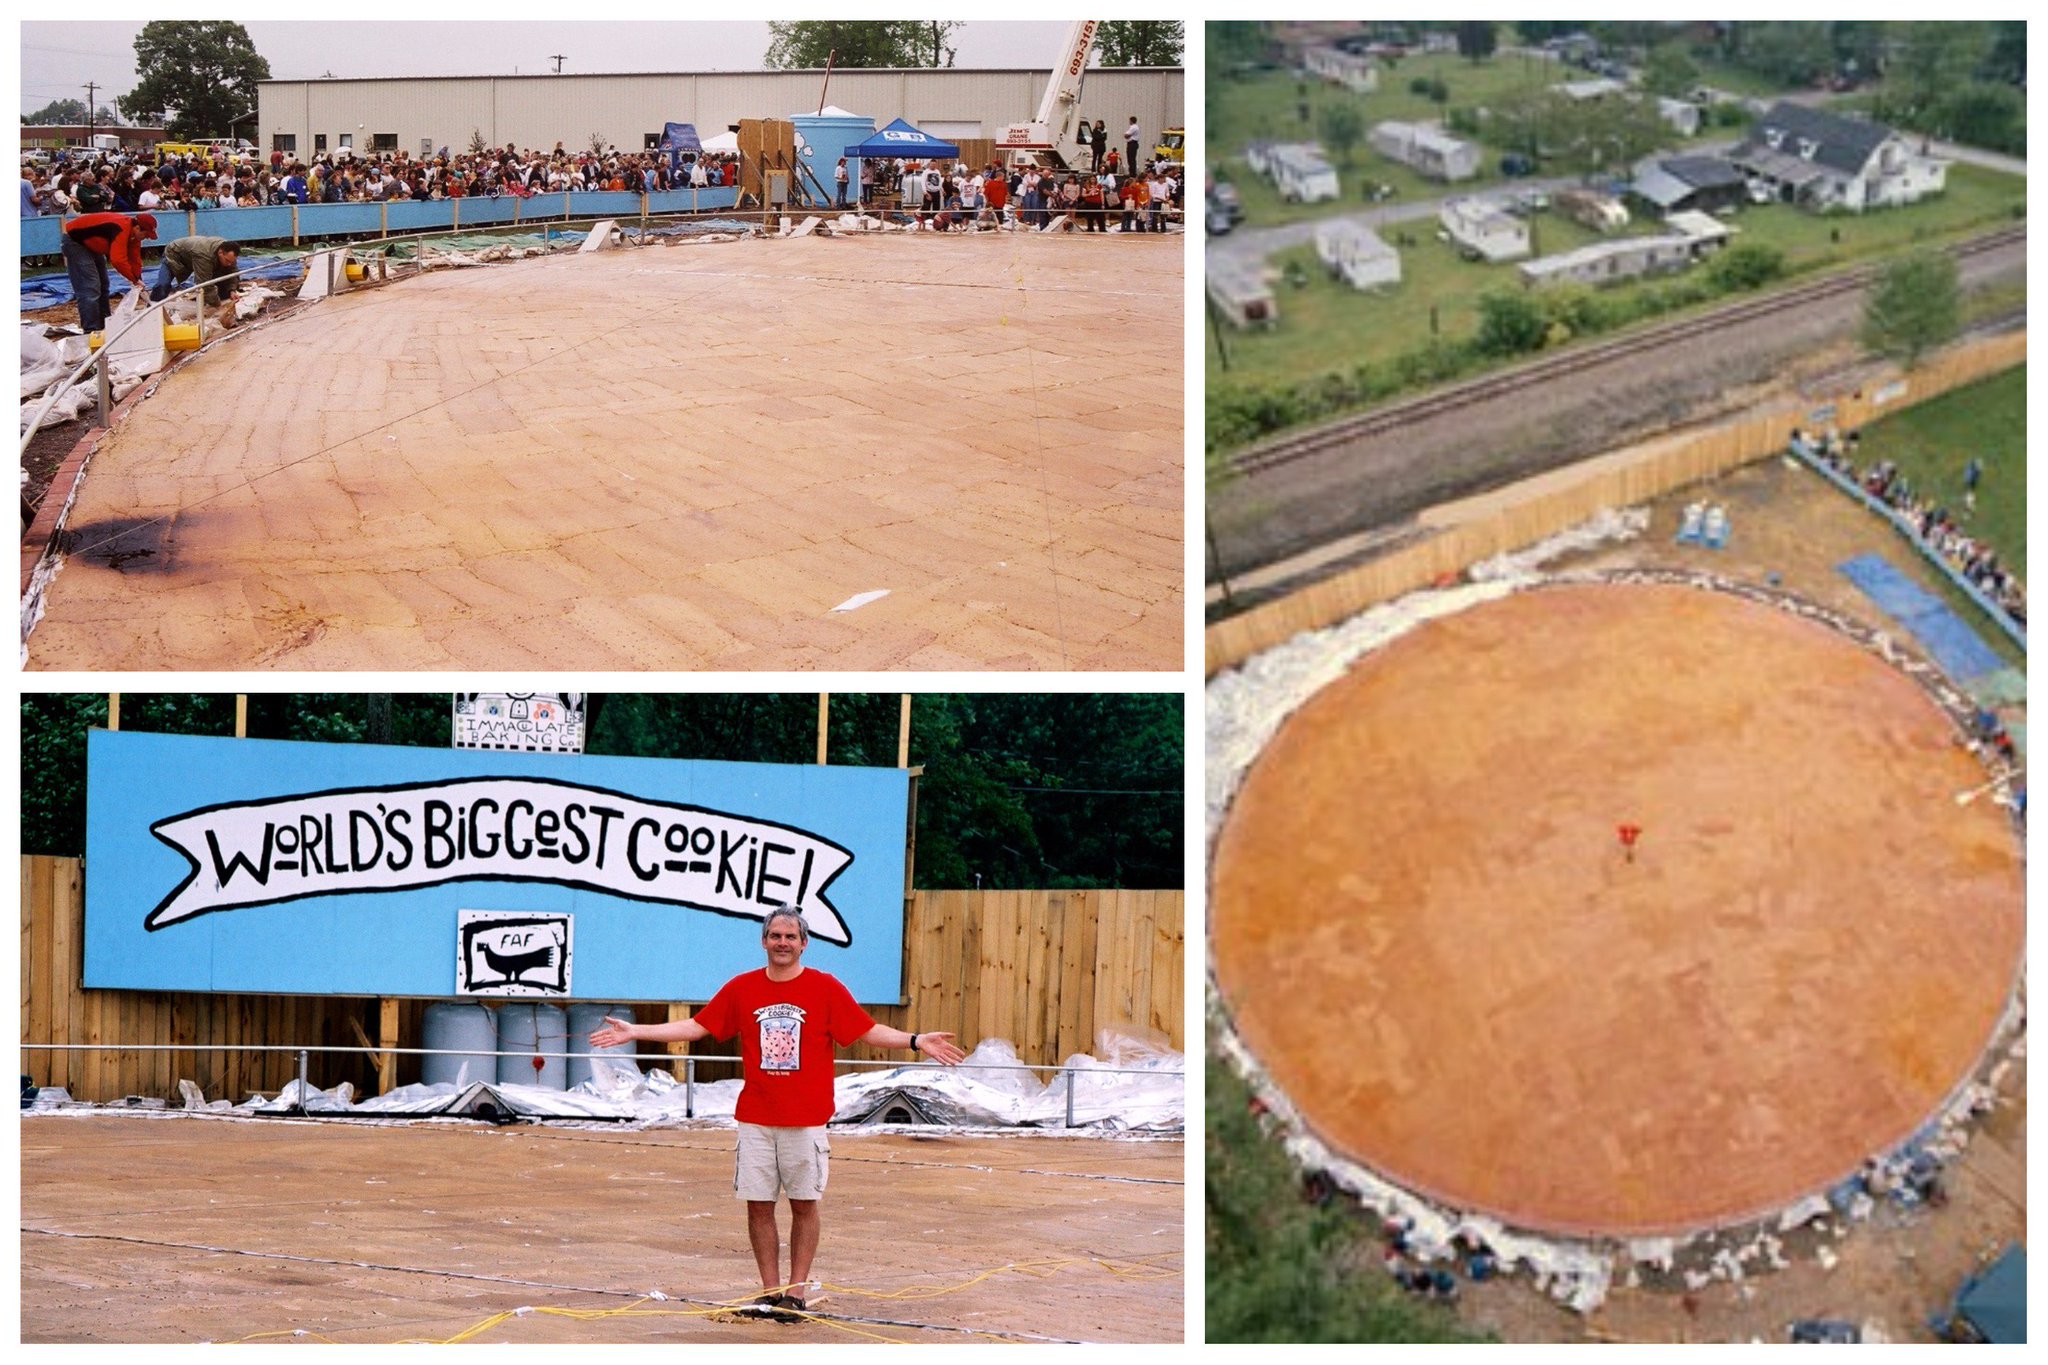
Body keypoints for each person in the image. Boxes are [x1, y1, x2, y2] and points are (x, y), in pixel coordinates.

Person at [589, 908, 965, 1321]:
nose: (782, 942)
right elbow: (697, 1027)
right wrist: (636, 1032)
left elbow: (866, 1030)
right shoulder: (742, 988)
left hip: (806, 1120)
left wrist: (915, 1040)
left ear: (804, 943)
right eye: (775, 935)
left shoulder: (824, 988)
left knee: (804, 1204)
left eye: (790, 936)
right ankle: (770, 1291)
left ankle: (796, 1292)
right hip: (756, 1119)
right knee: (759, 1206)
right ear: (764, 941)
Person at [62, 210, 155, 334]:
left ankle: (105, 323)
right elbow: (118, 260)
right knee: (90, 288)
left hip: (92, 245)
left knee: (104, 285)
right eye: (145, 235)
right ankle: (91, 330)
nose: (146, 238)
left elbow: (135, 259)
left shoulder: (134, 237)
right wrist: (133, 279)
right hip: (76, 242)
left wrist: (138, 279)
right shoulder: (121, 229)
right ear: (137, 228)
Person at [151, 235, 242, 329]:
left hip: (198, 258)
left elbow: (233, 272)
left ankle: (212, 304)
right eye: (227, 261)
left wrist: (232, 290)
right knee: (163, 285)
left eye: (232, 261)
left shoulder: (228, 250)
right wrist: (219, 307)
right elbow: (204, 284)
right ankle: (151, 311)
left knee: (223, 284)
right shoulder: (204, 255)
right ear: (220, 253)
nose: (229, 264)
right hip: (175, 256)